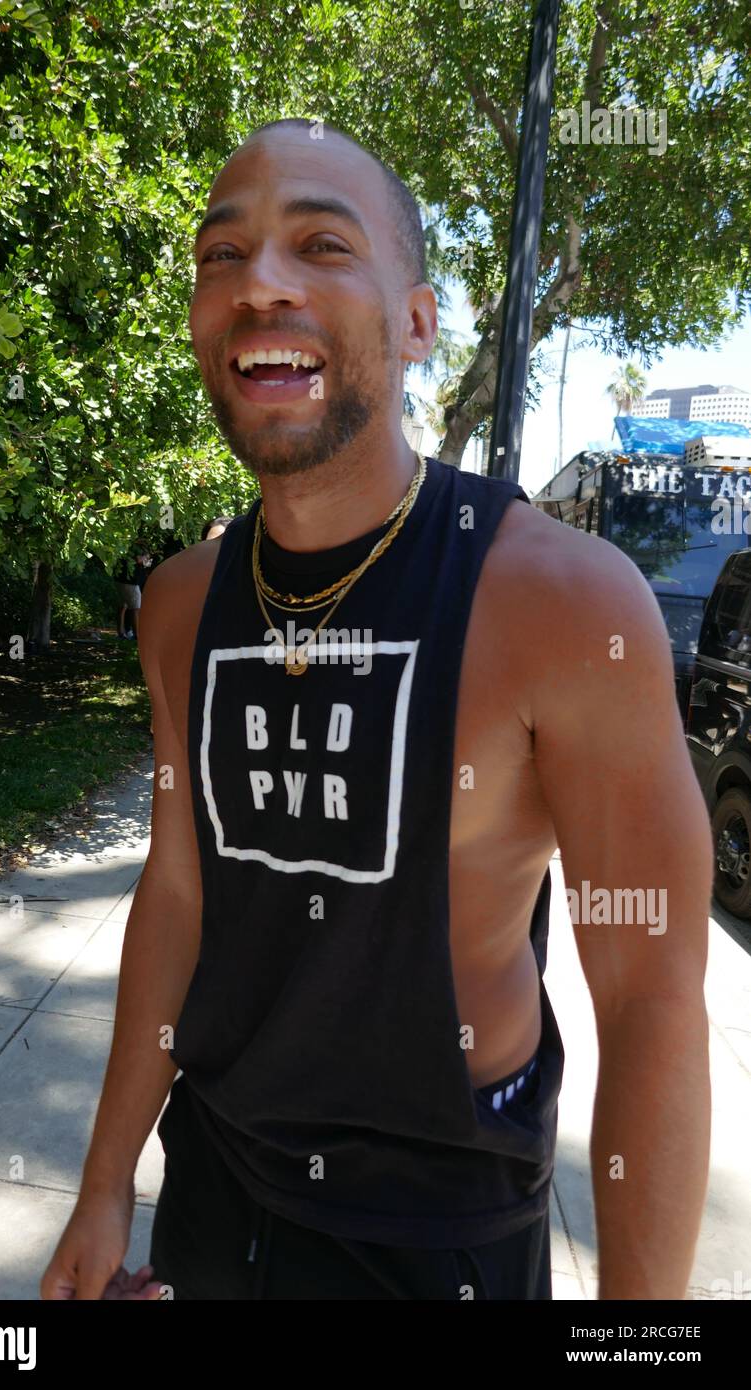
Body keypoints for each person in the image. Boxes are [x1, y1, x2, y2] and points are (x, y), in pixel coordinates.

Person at [41, 119, 713, 1302]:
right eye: (221, 255)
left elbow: (650, 999)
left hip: (435, 1231)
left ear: (414, 323)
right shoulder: (180, 605)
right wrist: (104, 1184)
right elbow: (183, 889)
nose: (259, 283)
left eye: (320, 243)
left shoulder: (558, 602)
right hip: (214, 1183)